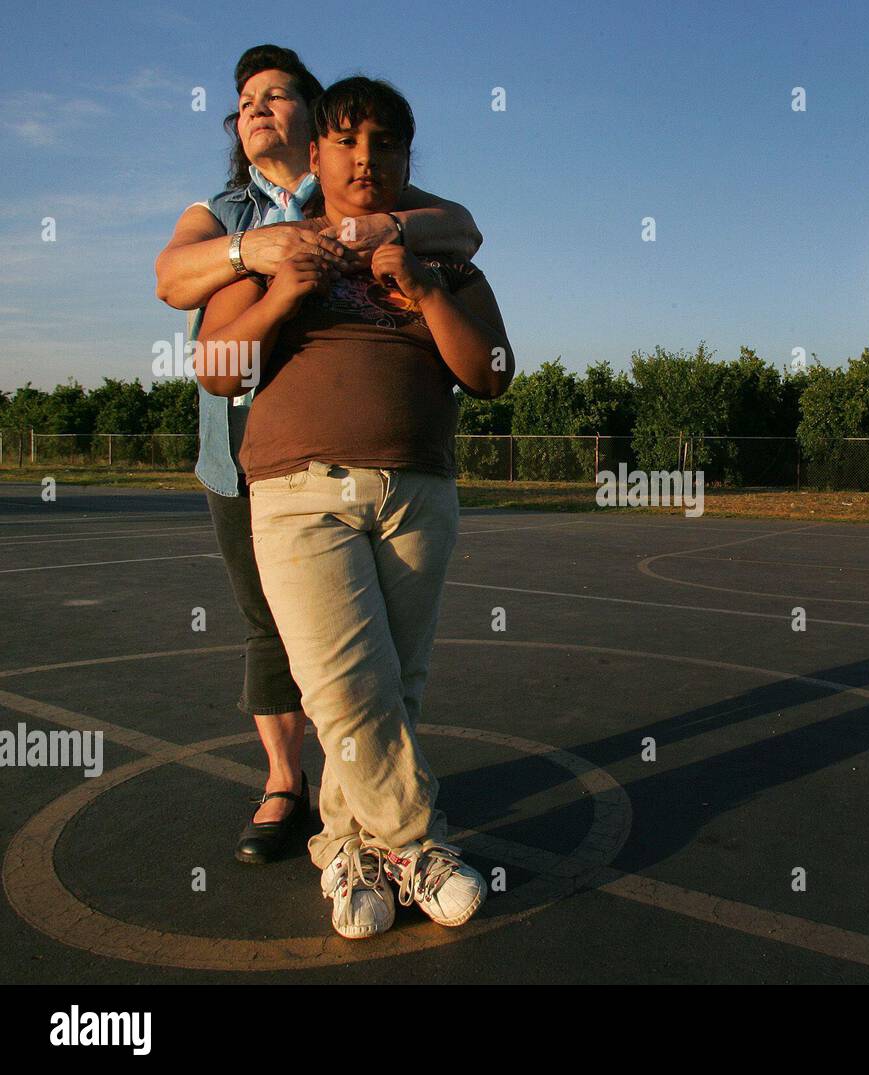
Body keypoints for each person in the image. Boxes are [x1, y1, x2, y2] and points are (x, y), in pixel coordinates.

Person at [195, 74, 515, 939]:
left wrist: (423, 285)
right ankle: (420, 844)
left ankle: (350, 850)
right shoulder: (268, 245)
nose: (366, 159)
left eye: (386, 145)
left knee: (391, 690)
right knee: (344, 692)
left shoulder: (440, 253)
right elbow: (219, 366)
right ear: (314, 153)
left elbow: (489, 372)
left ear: (409, 160)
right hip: (300, 493)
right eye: (346, 141)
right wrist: (288, 291)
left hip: (419, 490)